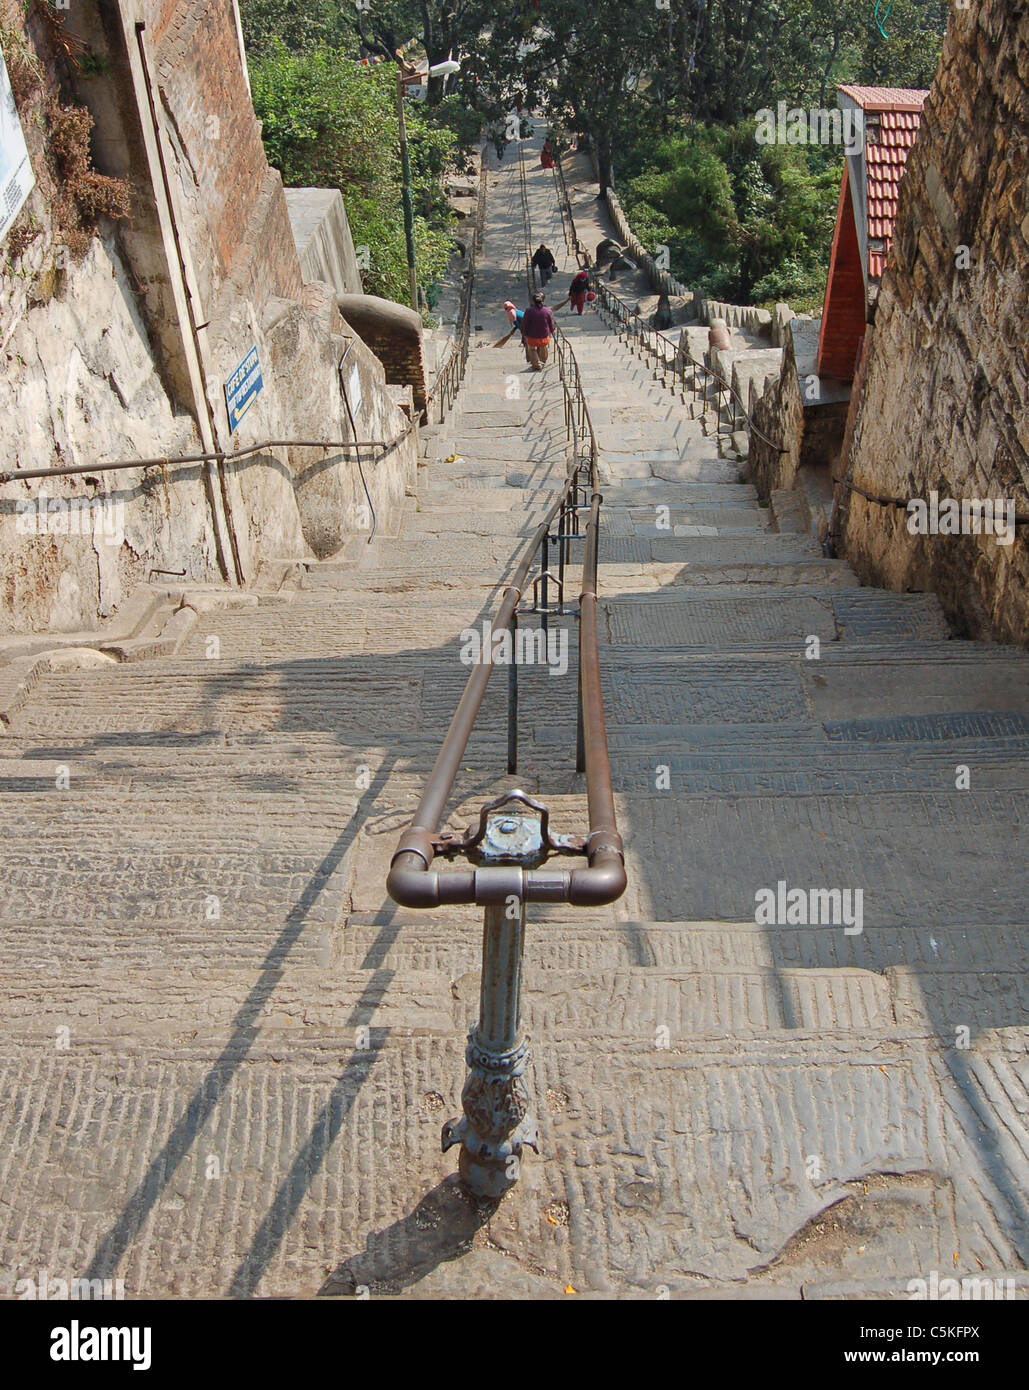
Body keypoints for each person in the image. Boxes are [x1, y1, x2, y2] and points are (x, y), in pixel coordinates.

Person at [521, 291, 555, 370]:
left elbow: (525, 324)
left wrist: (524, 334)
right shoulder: (547, 311)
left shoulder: (529, 311)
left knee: (532, 349)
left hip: (531, 337)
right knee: (543, 347)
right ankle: (543, 361)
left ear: (533, 301)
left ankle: (536, 364)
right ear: (543, 301)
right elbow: (551, 323)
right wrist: (552, 330)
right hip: (544, 337)